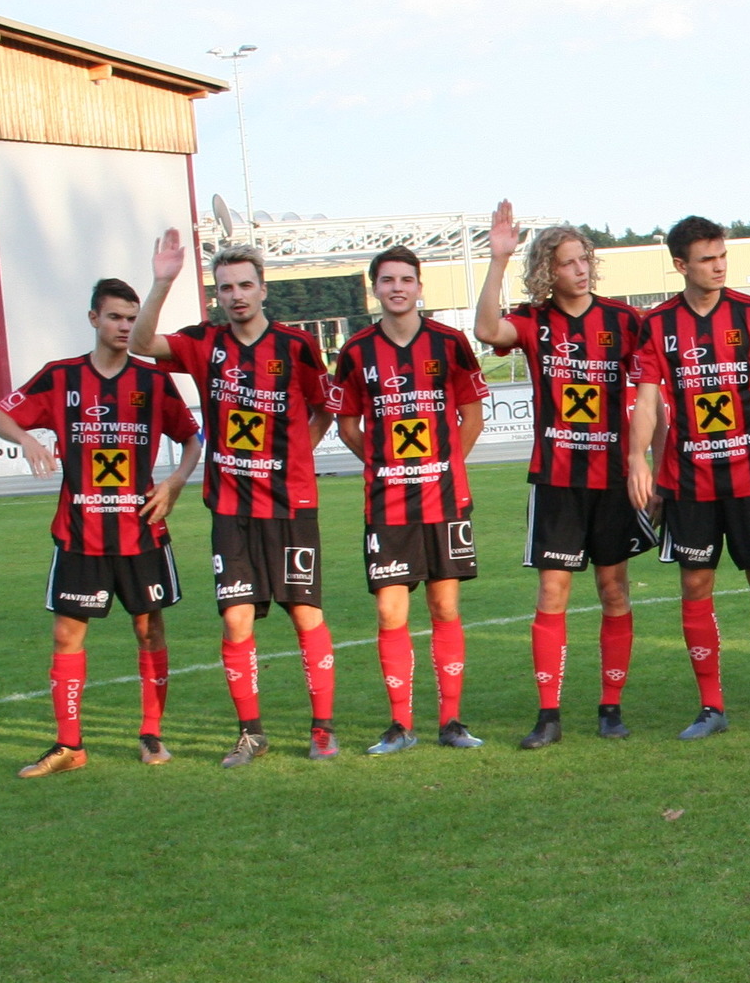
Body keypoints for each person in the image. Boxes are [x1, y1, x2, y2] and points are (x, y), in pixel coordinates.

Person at [132, 234, 340, 765]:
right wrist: (161, 281)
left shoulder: (296, 346)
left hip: (291, 506)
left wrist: (298, 453)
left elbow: (324, 407)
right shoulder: (204, 343)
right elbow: (140, 342)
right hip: (230, 507)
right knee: (235, 620)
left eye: (246, 284)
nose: (237, 295)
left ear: (264, 288)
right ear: (217, 295)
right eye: (226, 288)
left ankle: (321, 729)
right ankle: (251, 732)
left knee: (305, 616)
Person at [0, 278, 201, 775]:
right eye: (115, 317)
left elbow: (192, 439)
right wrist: (28, 440)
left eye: (131, 318)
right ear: (94, 319)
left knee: (149, 631)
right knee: (66, 636)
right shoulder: (60, 376)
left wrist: (174, 483)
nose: (125, 326)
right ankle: (69, 747)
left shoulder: (152, 380)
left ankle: (152, 735)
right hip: (79, 534)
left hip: (141, 531)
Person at [475, 203, 651, 749]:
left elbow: (652, 398)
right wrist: (498, 260)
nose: (579, 270)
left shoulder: (624, 321)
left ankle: (610, 707)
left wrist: (652, 464)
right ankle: (548, 714)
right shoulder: (534, 319)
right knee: (552, 592)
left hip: (612, 479)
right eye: (568, 263)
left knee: (613, 590)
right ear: (548, 271)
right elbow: (485, 329)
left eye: (583, 260)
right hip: (556, 479)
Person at [629, 215, 750, 739]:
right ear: (681, 265)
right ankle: (711, 707)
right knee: (695, 583)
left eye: (722, 255)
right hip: (689, 484)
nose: (719, 265)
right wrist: (640, 458)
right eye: (706, 258)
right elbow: (647, 401)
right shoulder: (657, 325)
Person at [332, 246, 490, 753]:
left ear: (420, 287)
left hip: (445, 500)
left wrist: (448, 465)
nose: (397, 287)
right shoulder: (356, 351)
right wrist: (382, 462)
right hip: (387, 505)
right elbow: (348, 424)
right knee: (390, 614)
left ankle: (451, 722)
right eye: (387, 280)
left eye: (406, 279)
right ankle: (401, 726)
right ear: (374, 289)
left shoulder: (450, 343)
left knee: (445, 608)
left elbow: (472, 415)